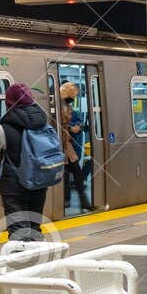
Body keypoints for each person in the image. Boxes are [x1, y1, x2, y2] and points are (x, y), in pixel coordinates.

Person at [0, 82, 50, 241]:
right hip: (39, 183)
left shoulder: (3, 129)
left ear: (9, 102)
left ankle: (23, 263)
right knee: (35, 227)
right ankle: (39, 260)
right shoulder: (43, 123)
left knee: (18, 232)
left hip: (14, 188)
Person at [57, 81, 89, 214]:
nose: (73, 98)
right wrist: (71, 128)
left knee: (77, 172)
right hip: (61, 145)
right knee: (65, 174)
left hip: (68, 146)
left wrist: (76, 127)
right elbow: (56, 124)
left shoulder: (67, 106)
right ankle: (67, 199)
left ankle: (84, 202)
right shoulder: (57, 106)